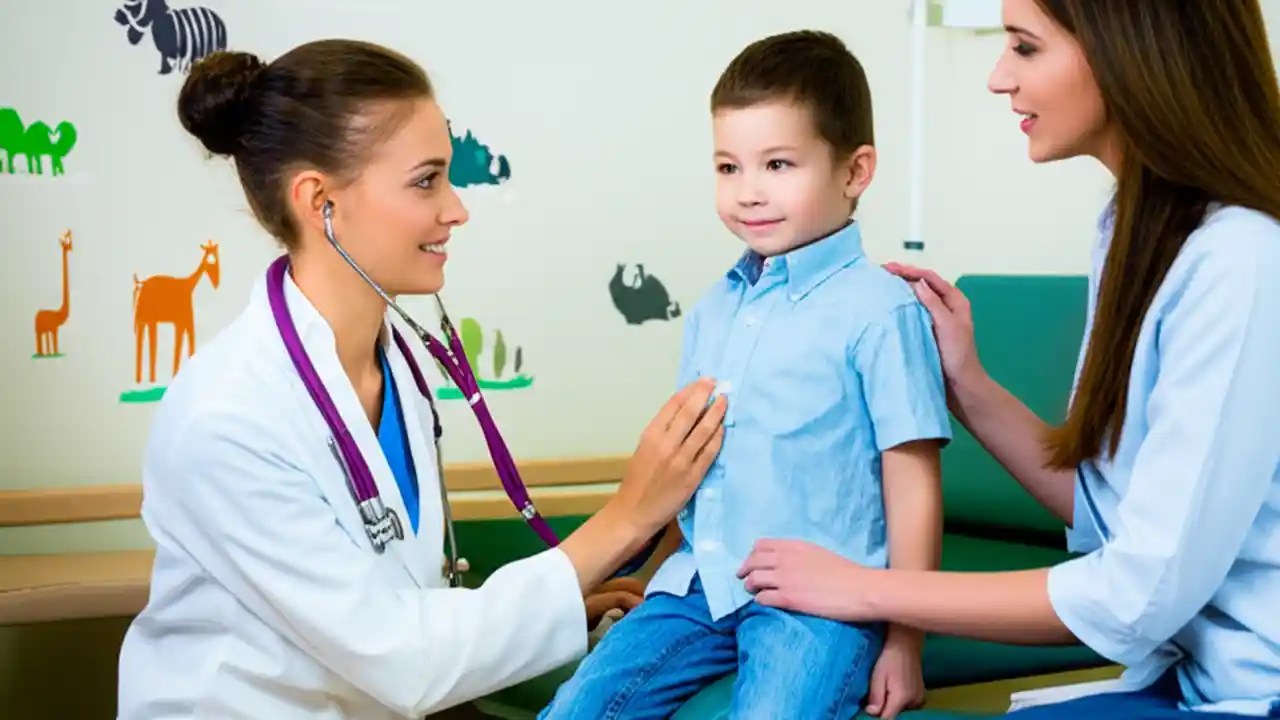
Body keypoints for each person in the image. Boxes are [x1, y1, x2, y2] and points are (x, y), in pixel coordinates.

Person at [114, 39, 728, 720]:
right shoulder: (225, 420)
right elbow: (402, 658)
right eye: (426, 180)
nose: (457, 208)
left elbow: (394, 600)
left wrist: (550, 615)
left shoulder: (397, 359)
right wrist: (626, 517)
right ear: (320, 201)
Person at [737, 1, 1280, 717]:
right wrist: (968, 383)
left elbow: (1137, 588)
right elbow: (1111, 510)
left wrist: (862, 587)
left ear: (1130, 52)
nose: (998, 77)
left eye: (1024, 47)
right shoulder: (1132, 226)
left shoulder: (1242, 259)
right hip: (1190, 673)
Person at [538, 30, 952, 720]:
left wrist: (905, 641)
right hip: (698, 588)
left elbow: (912, 486)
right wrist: (651, 573)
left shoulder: (881, 313)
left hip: (822, 603)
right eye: (728, 168)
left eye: (778, 164)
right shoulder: (713, 312)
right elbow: (692, 471)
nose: (748, 192)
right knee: (578, 709)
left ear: (855, 172)